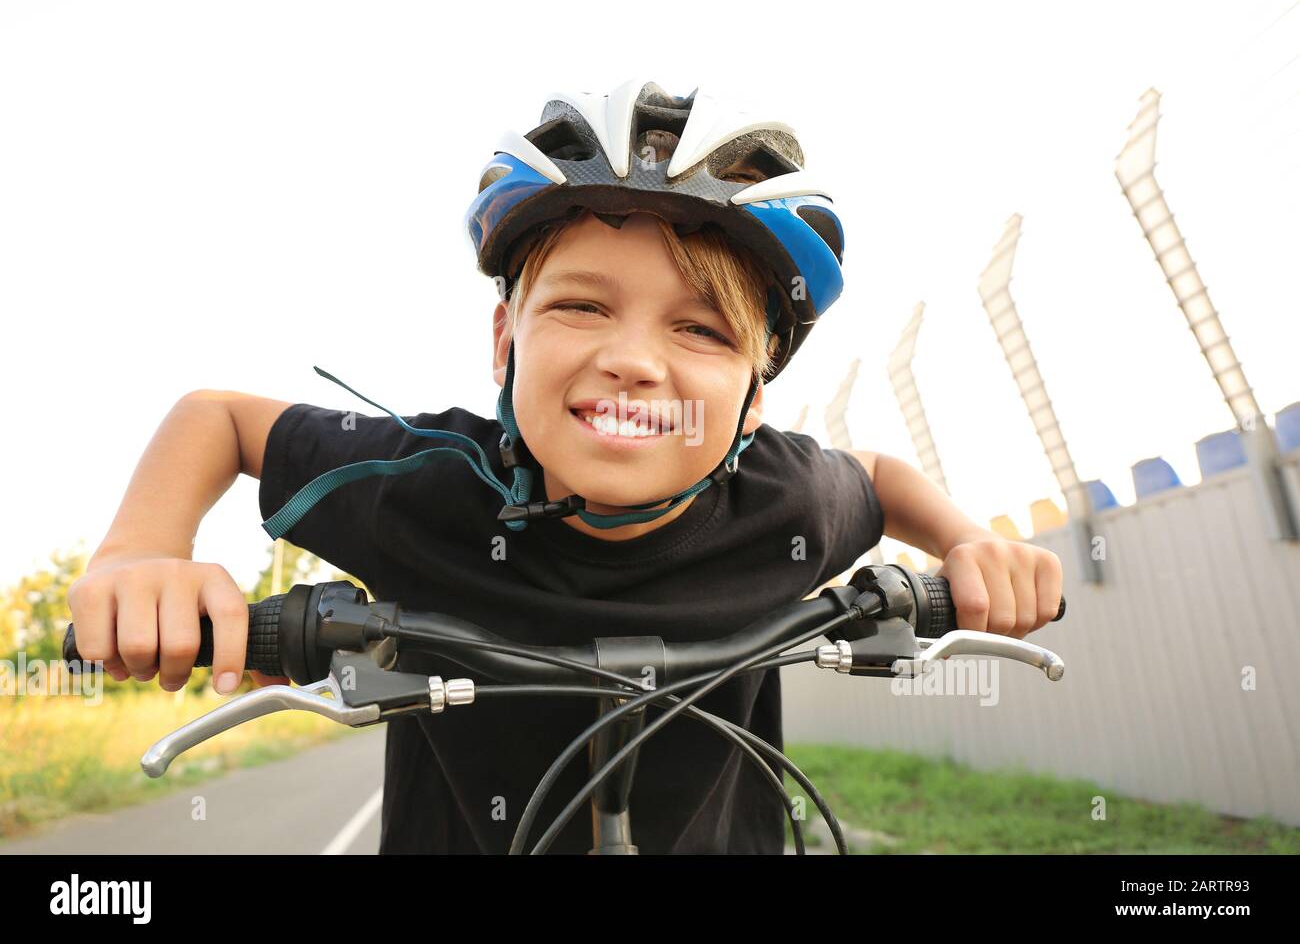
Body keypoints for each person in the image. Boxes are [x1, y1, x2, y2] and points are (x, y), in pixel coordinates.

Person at [67, 79, 1064, 854]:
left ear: (755, 398)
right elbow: (220, 418)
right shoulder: (428, 483)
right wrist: (143, 546)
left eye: (702, 327)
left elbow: (879, 477)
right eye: (582, 306)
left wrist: (972, 541)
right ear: (504, 340)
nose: (633, 356)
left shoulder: (784, 497)